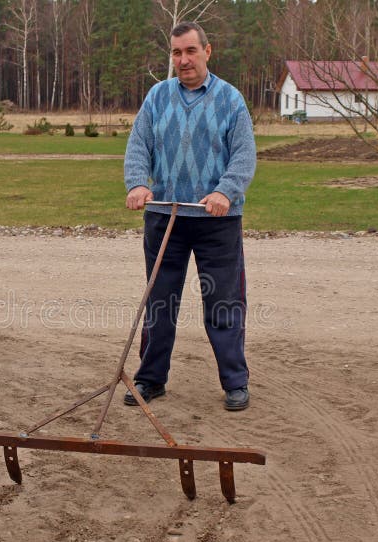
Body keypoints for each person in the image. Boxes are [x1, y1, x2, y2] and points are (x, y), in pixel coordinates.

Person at [123, 21, 256, 411]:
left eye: (190, 51)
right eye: (176, 53)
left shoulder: (231, 100)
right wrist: (136, 184)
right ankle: (150, 380)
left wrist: (224, 191)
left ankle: (235, 382)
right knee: (160, 301)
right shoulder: (157, 97)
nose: (183, 60)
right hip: (165, 217)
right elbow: (138, 146)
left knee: (224, 303)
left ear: (207, 51)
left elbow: (244, 156)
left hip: (216, 220)